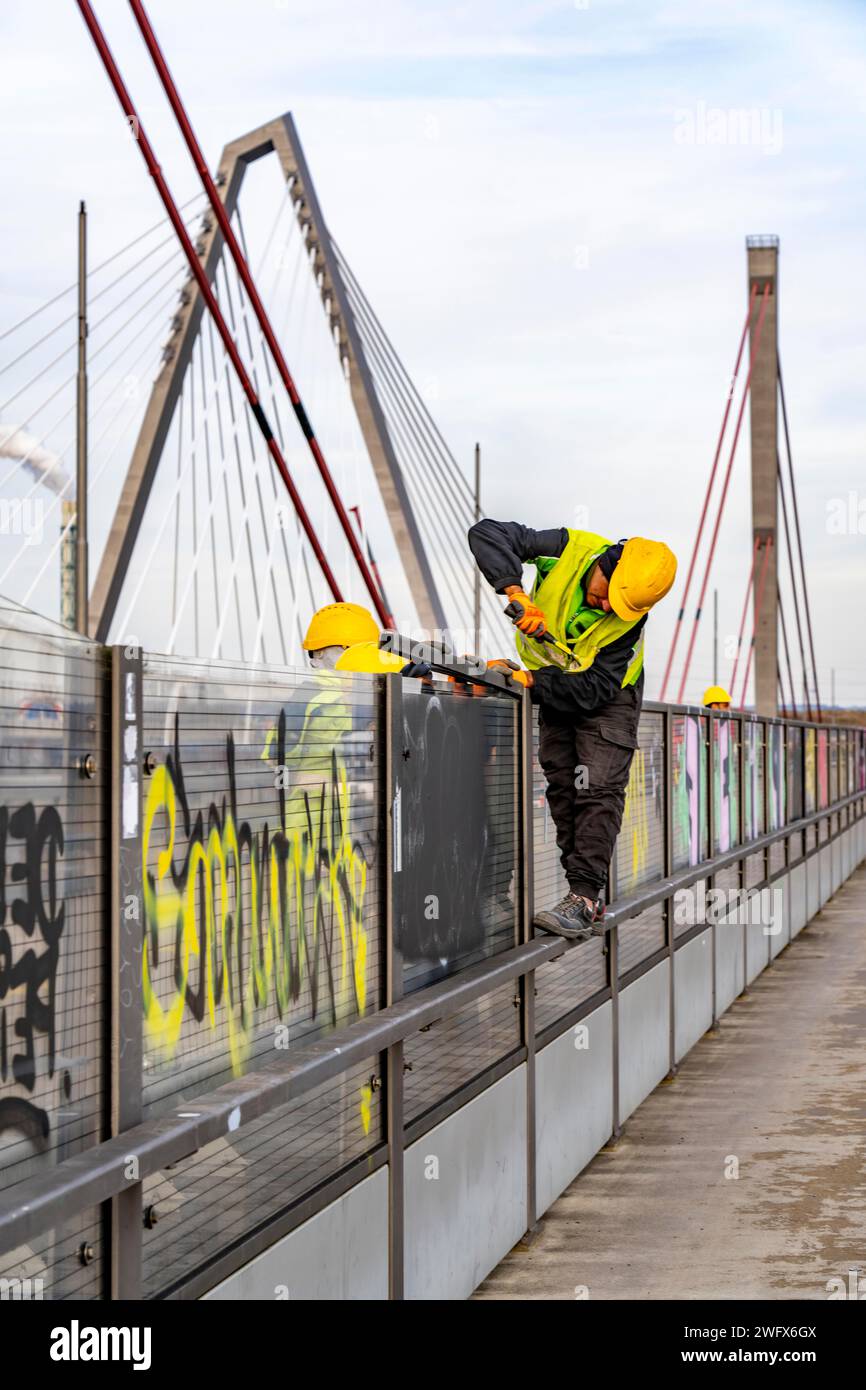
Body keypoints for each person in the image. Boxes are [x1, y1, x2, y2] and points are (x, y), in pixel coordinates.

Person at [469, 521, 677, 939]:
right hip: (555, 685)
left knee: (597, 788)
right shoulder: (568, 549)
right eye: (606, 594)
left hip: (607, 696)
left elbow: (596, 687)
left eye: (617, 606)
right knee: (564, 787)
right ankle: (581, 896)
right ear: (605, 565)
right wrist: (517, 594)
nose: (606, 607)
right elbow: (487, 533)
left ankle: (583, 896)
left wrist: (530, 681)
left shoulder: (628, 619)